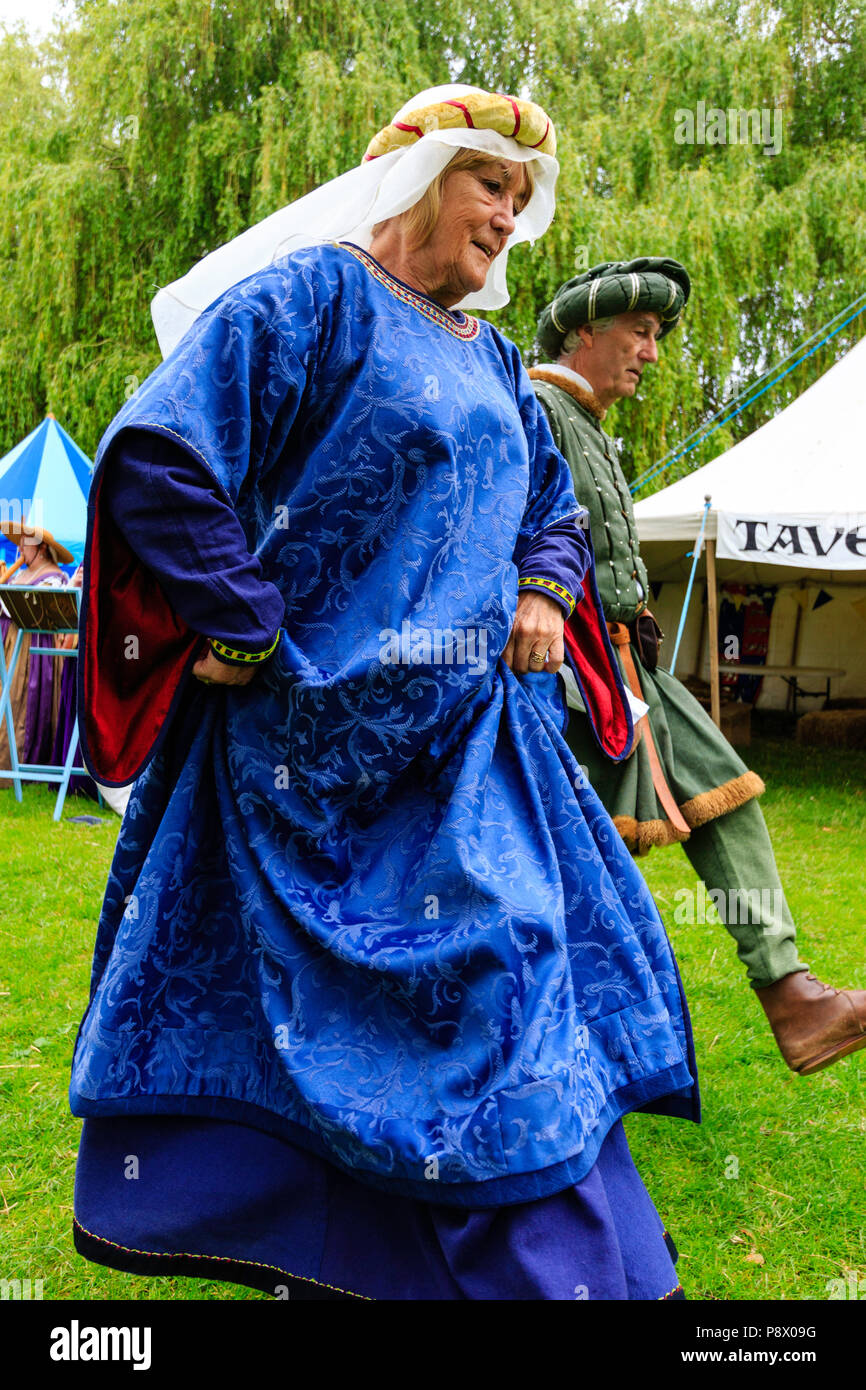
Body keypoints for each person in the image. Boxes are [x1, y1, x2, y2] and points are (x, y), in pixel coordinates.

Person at [70, 89, 698, 1302]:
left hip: (475, 753)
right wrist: (246, 630)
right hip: (310, 758)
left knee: (510, 969)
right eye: (488, 186)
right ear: (415, 180)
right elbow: (158, 456)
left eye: (521, 198)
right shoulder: (307, 299)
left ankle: (572, 1279)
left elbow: (550, 511)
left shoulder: (499, 358)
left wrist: (541, 589)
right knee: (345, 1027)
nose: (509, 219)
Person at [530, 259, 866, 1077]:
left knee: (728, 796)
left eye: (655, 337)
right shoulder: (534, 408)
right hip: (560, 671)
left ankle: (794, 997)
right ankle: (550, 1045)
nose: (651, 353)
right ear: (585, 331)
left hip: (625, 663)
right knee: (561, 855)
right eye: (639, 333)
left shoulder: (587, 422)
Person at [0, 524, 70, 785]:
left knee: (22, 703)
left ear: (41, 548)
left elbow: (38, 611)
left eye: (25, 543)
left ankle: (22, 762)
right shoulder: (20, 573)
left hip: (33, 652)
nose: (19, 548)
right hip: (8, 647)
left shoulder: (55, 578)